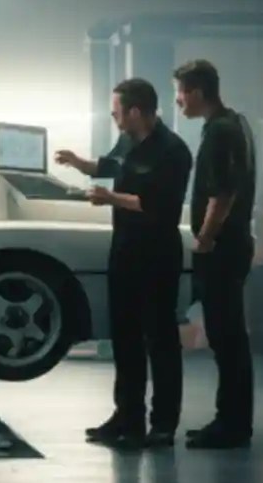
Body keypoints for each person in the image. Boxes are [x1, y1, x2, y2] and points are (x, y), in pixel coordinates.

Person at [56, 78, 193, 450]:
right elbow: (109, 164)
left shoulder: (173, 151)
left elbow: (159, 206)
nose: (114, 119)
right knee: (125, 337)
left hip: (158, 255)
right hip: (126, 251)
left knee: (161, 340)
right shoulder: (129, 140)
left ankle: (163, 423)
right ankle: (127, 417)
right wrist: (77, 163)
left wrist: (110, 198)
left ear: (135, 112)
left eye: (117, 113)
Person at [174, 59, 257, 450]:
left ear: (196, 92)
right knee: (228, 338)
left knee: (227, 338)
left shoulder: (220, 132)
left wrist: (205, 238)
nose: (178, 102)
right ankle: (231, 420)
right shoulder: (235, 124)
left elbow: (222, 193)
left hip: (222, 247)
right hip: (233, 244)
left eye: (181, 93)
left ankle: (233, 425)